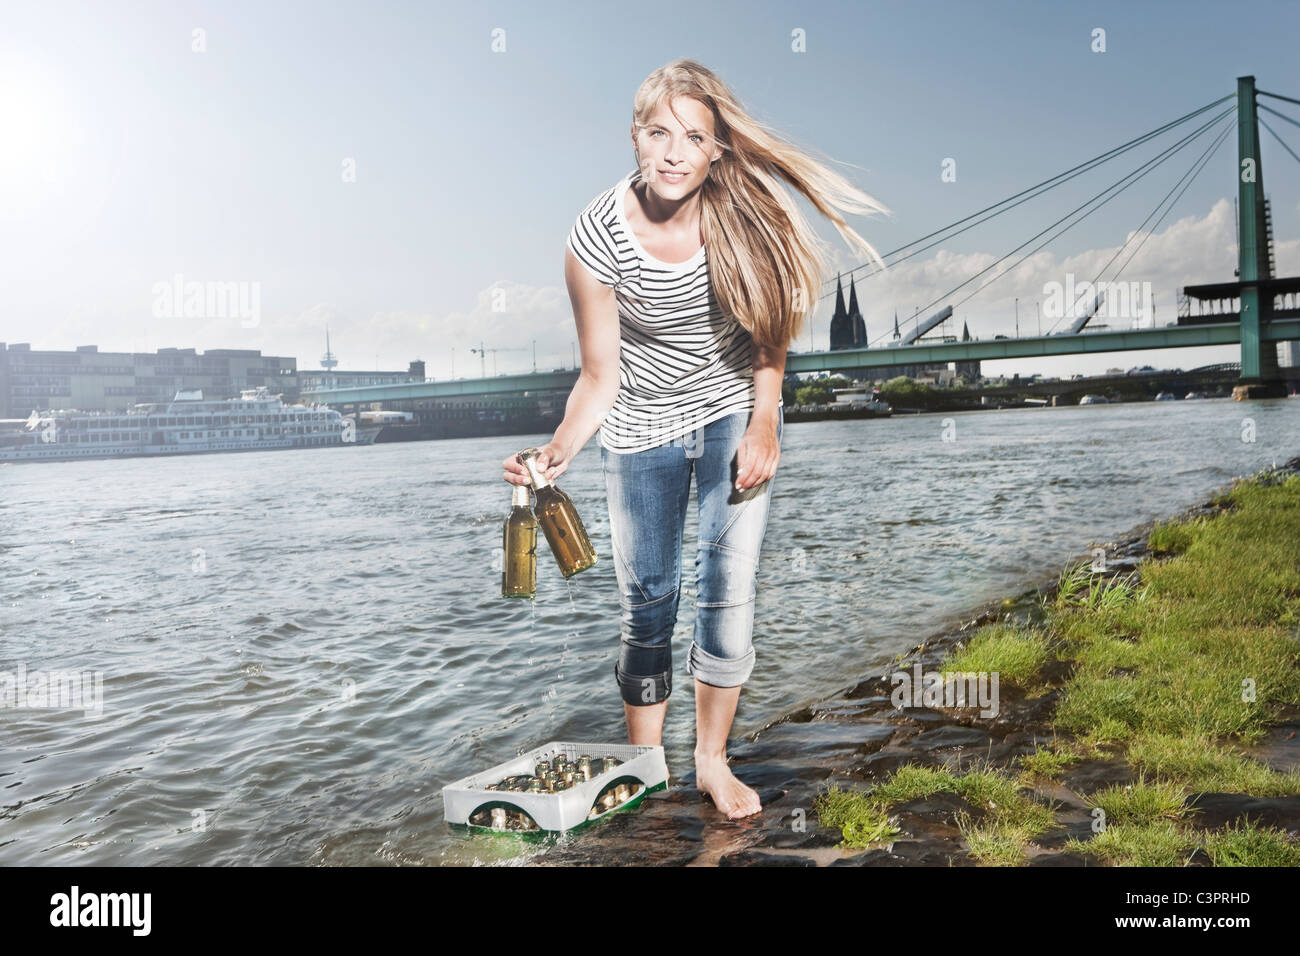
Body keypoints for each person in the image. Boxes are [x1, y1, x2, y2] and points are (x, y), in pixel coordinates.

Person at [503, 59, 887, 819]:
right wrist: (554, 453)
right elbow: (599, 376)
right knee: (646, 599)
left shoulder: (746, 217)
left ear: (716, 151)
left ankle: (711, 761)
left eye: (693, 137)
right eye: (658, 133)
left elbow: (774, 332)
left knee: (728, 585)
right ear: (635, 139)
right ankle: (647, 766)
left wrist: (766, 419)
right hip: (640, 419)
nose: (675, 152)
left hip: (729, 405)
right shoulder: (596, 238)